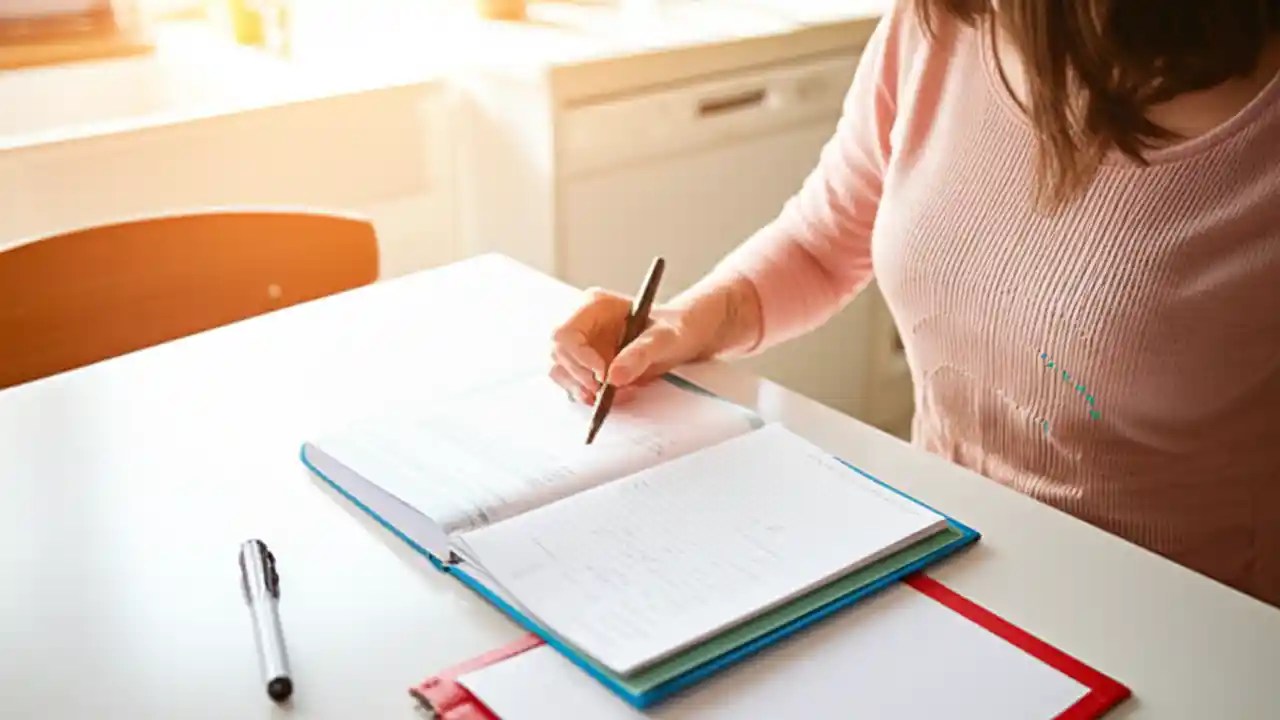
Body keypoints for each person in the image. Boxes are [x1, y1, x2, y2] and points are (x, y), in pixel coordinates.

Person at [548, 0, 1280, 607]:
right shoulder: (939, 23)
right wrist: (689, 319)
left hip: (1188, 632)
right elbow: (825, 238)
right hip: (941, 567)